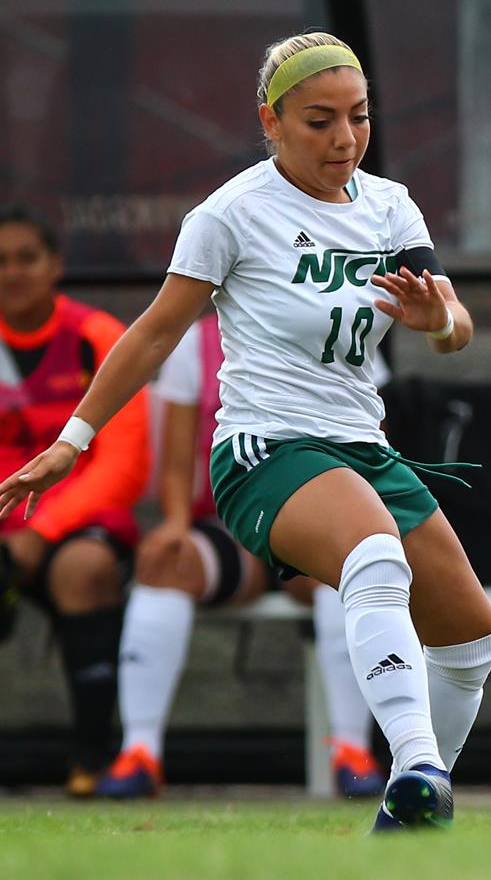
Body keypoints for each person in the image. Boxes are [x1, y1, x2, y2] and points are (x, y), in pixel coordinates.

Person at [0, 33, 491, 833]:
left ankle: (411, 812)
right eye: (319, 120)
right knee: (373, 552)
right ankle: (412, 766)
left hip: (362, 450)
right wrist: (73, 438)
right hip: (264, 453)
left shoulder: (390, 203)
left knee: (475, 639)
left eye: (359, 116)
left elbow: (454, 325)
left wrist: (439, 318)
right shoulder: (232, 213)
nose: (344, 138)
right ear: (269, 121)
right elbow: (154, 333)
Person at [98, 311, 386, 800]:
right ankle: (139, 751)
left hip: (313, 522)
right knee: (164, 561)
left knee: (351, 569)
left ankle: (353, 752)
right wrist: (173, 524)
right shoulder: (196, 343)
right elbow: (175, 461)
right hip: (233, 524)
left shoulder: (340, 320)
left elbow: (370, 443)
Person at [0, 205, 151, 796]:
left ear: (56, 266)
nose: (13, 272)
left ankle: (93, 757)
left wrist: (42, 530)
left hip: (76, 528)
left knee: (84, 570)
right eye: (1, 261)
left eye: (27, 258)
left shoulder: (97, 337)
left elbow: (124, 464)